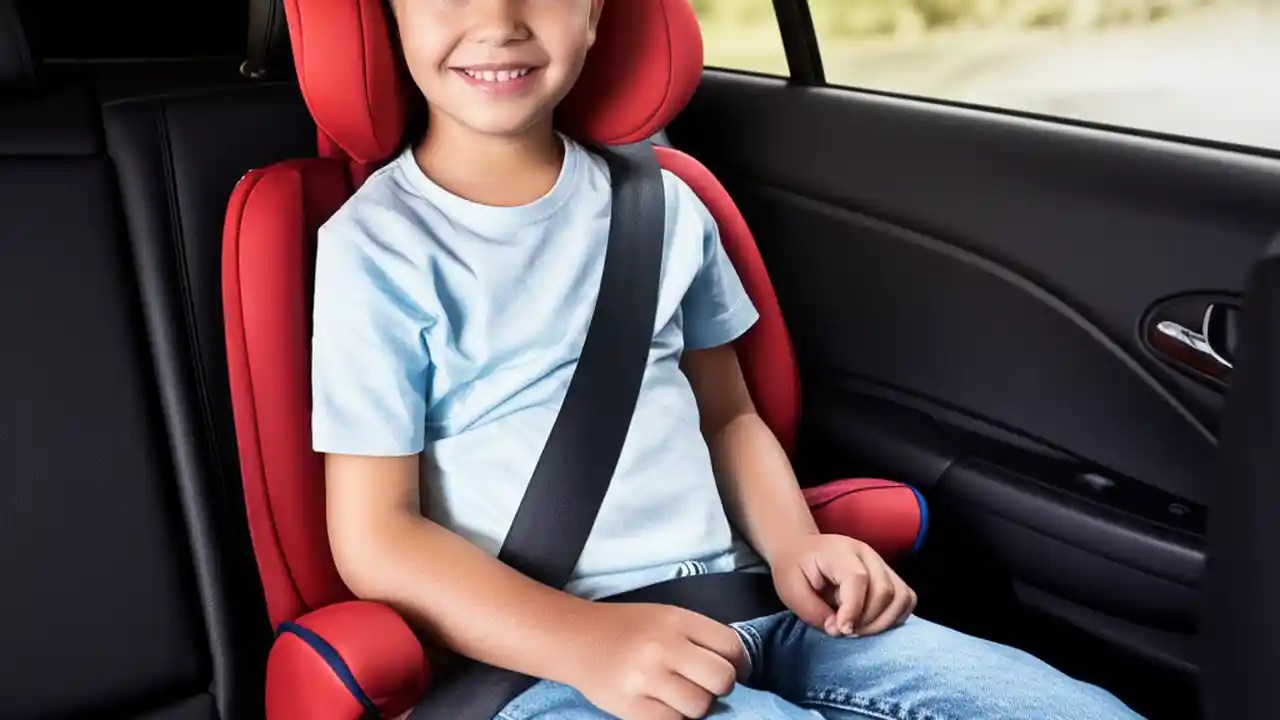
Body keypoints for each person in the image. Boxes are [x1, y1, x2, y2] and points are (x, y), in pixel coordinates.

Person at [310, 1, 1144, 718]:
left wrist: (794, 547)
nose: (498, 21)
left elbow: (728, 415)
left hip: (758, 608)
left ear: (596, 14)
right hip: (552, 661)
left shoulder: (665, 205)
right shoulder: (377, 250)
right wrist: (585, 640)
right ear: (390, 17)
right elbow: (378, 533)